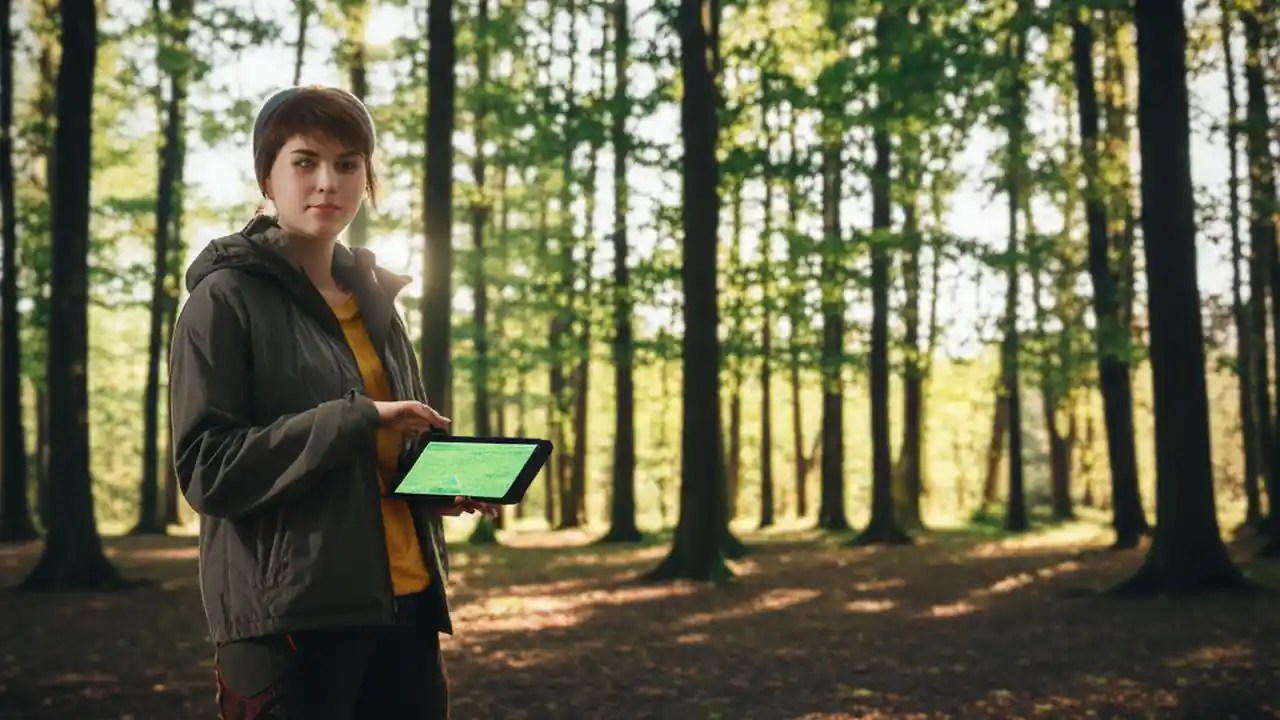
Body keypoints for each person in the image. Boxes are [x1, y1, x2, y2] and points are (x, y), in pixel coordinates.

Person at [169, 85, 498, 719]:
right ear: (267, 174)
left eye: (348, 163)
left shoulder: (374, 302)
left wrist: (440, 482)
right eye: (305, 161)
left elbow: (378, 454)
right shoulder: (223, 299)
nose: (328, 181)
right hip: (291, 626)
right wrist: (353, 418)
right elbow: (208, 469)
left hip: (406, 607)